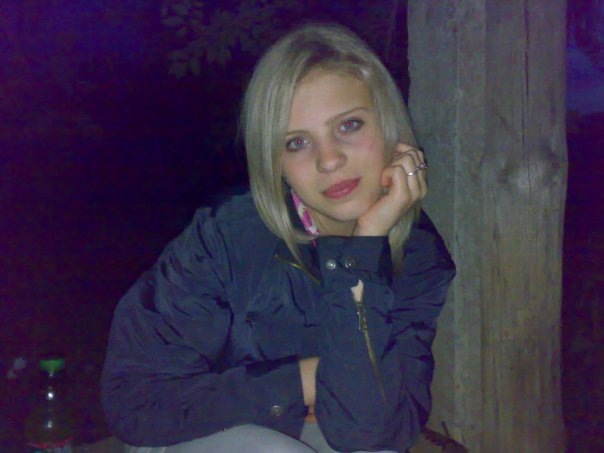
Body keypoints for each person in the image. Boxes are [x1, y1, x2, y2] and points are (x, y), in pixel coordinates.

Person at [101, 23, 455, 453]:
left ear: (391, 130)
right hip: (189, 432)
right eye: (297, 142)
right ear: (276, 163)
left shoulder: (419, 255)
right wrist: (305, 380)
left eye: (349, 125)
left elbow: (372, 430)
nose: (329, 160)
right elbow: (135, 403)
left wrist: (364, 252)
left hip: (323, 428)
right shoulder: (225, 237)